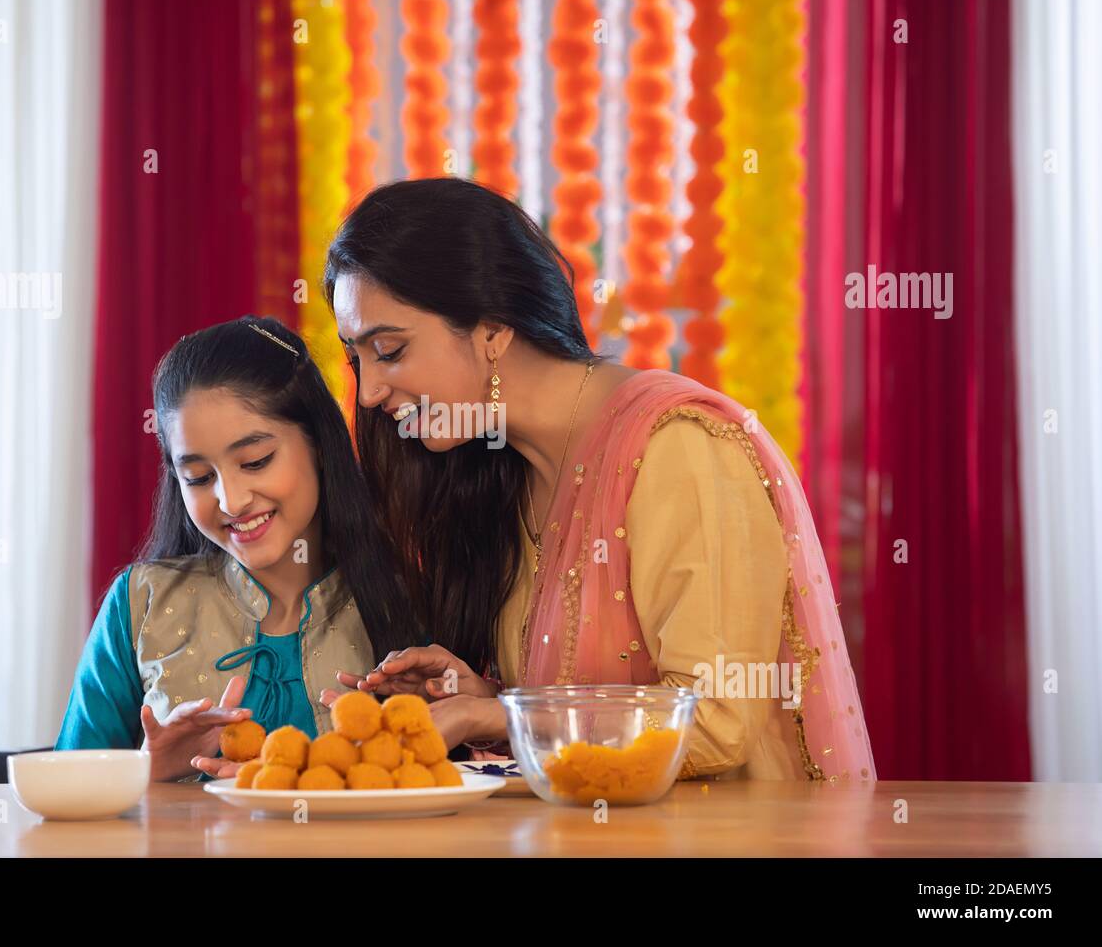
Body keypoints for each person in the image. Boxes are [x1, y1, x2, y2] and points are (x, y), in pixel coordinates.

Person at [321, 177, 876, 782]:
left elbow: (716, 722)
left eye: (391, 350)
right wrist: (479, 695)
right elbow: (589, 698)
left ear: (492, 329)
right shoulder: (510, 471)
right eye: (358, 358)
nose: (370, 391)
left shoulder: (677, 447)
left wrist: (504, 718)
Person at [55, 317, 416, 781]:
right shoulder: (139, 605)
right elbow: (64, 800)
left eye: (255, 461)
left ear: (320, 445)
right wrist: (145, 774)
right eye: (199, 478)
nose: (232, 500)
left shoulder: (404, 601)